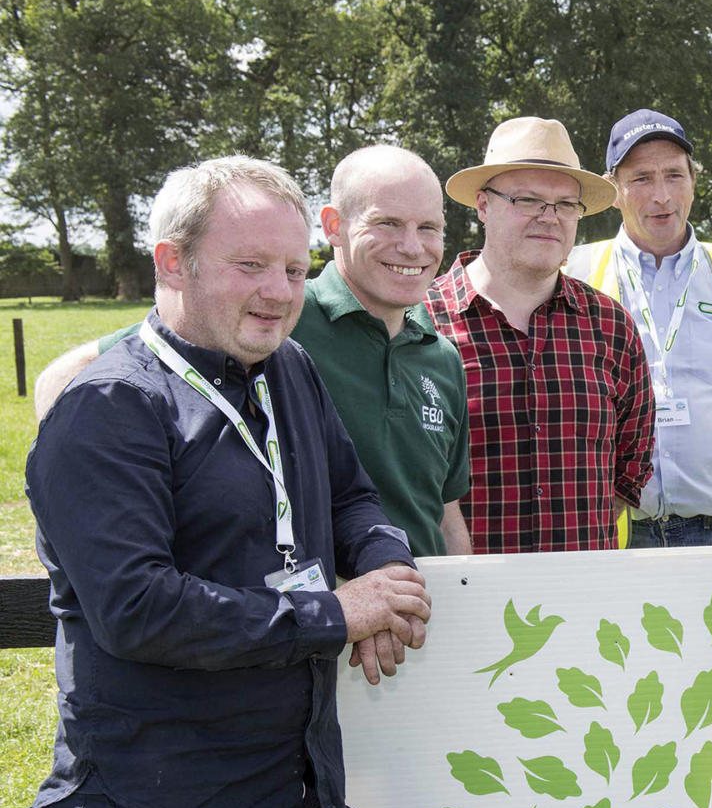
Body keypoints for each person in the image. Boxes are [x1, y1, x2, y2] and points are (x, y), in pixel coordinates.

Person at [26, 156, 444, 808]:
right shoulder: (107, 409)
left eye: (294, 270)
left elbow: (355, 495)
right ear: (171, 262)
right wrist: (335, 614)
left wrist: (386, 562)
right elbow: (139, 609)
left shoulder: (290, 371)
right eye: (250, 265)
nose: (279, 292)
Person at [30, 146, 473, 558]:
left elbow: (442, 509)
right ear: (334, 227)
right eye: (388, 223)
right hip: (300, 618)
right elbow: (84, 373)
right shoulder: (275, 320)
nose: (413, 246)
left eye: (429, 227)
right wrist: (93, 483)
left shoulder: (440, 357)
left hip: (406, 609)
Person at [426, 116, 653, 554]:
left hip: (585, 598)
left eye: (566, 204)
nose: (550, 218)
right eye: (528, 199)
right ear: (483, 205)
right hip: (458, 602)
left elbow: (631, 463)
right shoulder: (423, 322)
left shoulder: (611, 326)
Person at [565, 109, 712, 549]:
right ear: (615, 192)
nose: (661, 195)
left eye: (674, 176)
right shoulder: (575, 272)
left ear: (694, 184)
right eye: (642, 178)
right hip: (619, 535)